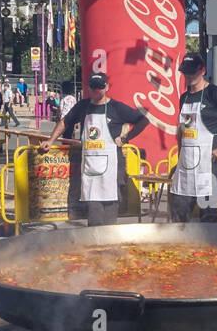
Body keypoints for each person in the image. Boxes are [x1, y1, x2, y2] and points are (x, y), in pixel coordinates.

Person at [45, 72, 149, 226]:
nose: (96, 91)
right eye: (93, 88)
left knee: (110, 214)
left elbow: (143, 120)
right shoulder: (82, 106)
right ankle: (94, 244)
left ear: (107, 87)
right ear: (88, 88)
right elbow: (65, 122)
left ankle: (109, 245)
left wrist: (126, 138)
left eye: (100, 87)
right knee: (94, 215)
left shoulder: (116, 107)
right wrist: (50, 141)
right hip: (90, 168)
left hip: (112, 169)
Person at [169, 52, 217, 222]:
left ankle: (209, 248)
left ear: (203, 70)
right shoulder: (184, 97)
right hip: (185, 167)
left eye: (192, 72)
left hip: (209, 167)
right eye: (185, 72)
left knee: (209, 219)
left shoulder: (214, 93)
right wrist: (179, 158)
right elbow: (182, 131)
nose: (188, 76)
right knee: (178, 218)